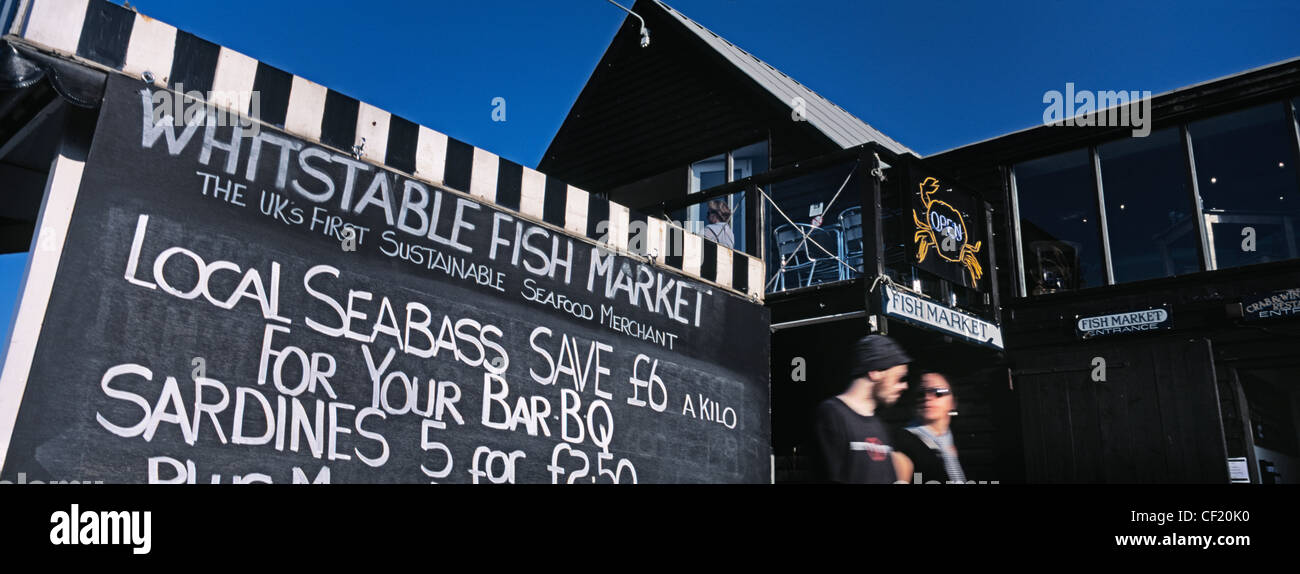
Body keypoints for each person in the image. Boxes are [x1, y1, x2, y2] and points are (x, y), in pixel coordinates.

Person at [814, 334, 912, 483]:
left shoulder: (879, 426)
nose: (905, 386)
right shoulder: (832, 414)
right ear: (875, 372)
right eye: (900, 378)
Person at [894, 372, 967, 484]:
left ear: (953, 402)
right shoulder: (902, 443)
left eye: (938, 393)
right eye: (920, 394)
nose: (927, 397)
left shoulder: (957, 441)